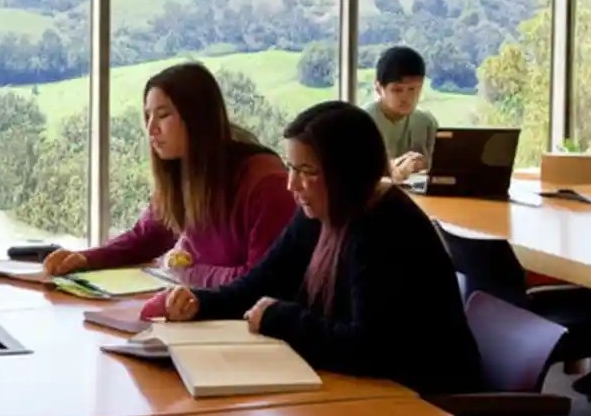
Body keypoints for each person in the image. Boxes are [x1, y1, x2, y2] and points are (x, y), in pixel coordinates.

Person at [158, 101, 483, 396]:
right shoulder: (319, 211)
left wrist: (282, 318)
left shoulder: (385, 228)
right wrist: (201, 302)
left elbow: (370, 349)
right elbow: (262, 283)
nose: (292, 185)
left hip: (430, 406)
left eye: (307, 172)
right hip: (366, 394)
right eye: (291, 167)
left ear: (347, 173)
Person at [44, 62, 296, 289]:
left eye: (163, 115)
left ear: (197, 118)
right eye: (147, 116)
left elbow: (263, 283)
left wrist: (186, 274)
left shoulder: (265, 185)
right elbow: (147, 237)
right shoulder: (181, 170)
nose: (151, 128)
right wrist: (85, 259)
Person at [364, 46, 439, 182]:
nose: (406, 97)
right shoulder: (362, 122)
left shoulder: (426, 122)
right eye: (397, 90)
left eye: (412, 89)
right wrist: (391, 170)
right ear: (379, 88)